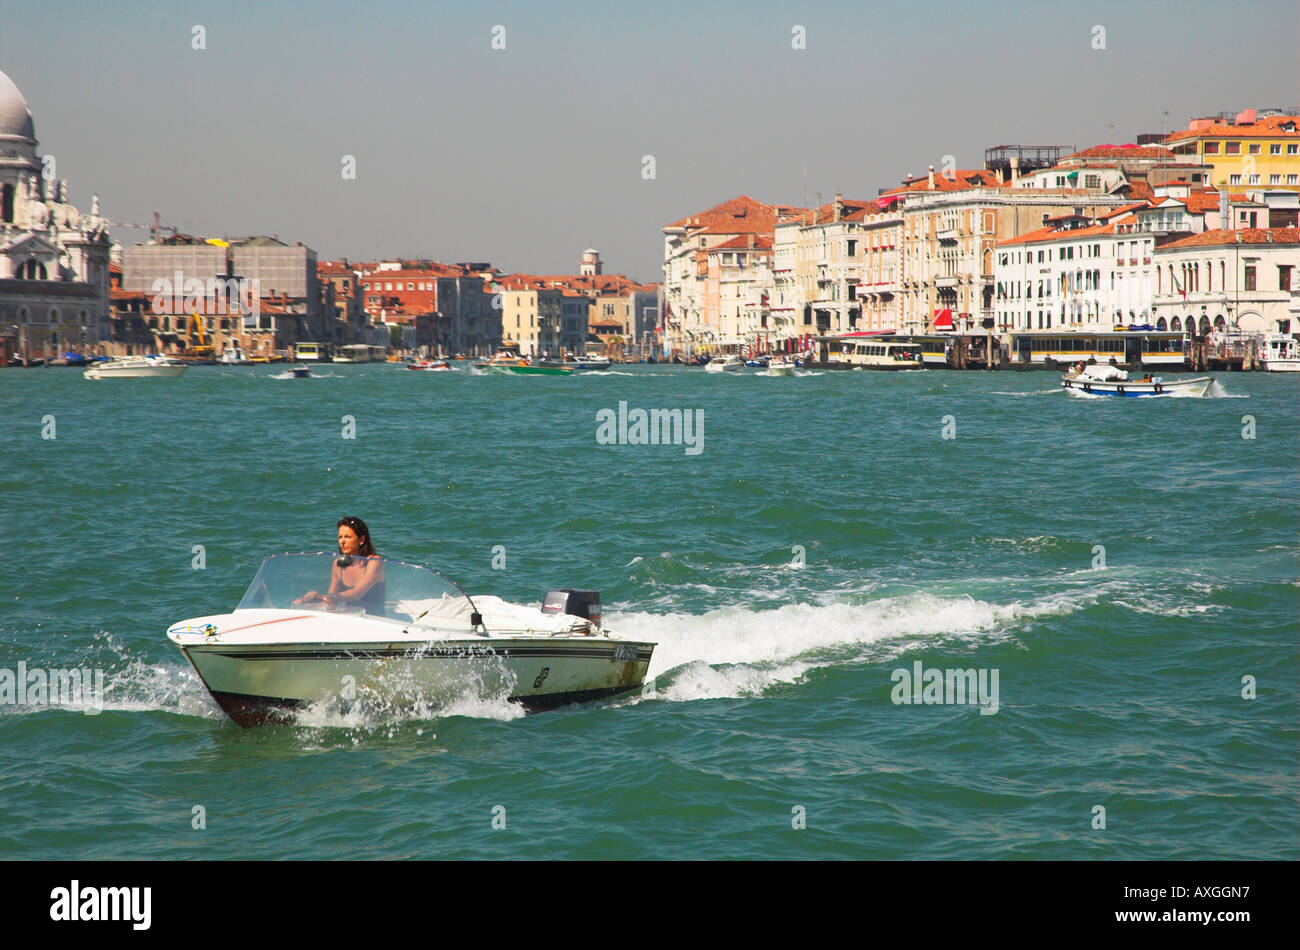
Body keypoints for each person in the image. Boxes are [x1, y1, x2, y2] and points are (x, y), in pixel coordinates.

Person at [295, 516, 386, 614]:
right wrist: (309, 600)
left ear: (362, 540)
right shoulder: (339, 564)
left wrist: (323, 597)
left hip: (374, 620)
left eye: (347, 537)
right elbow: (332, 599)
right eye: (340, 537)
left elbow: (357, 593)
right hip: (351, 617)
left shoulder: (374, 561)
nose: (342, 541)